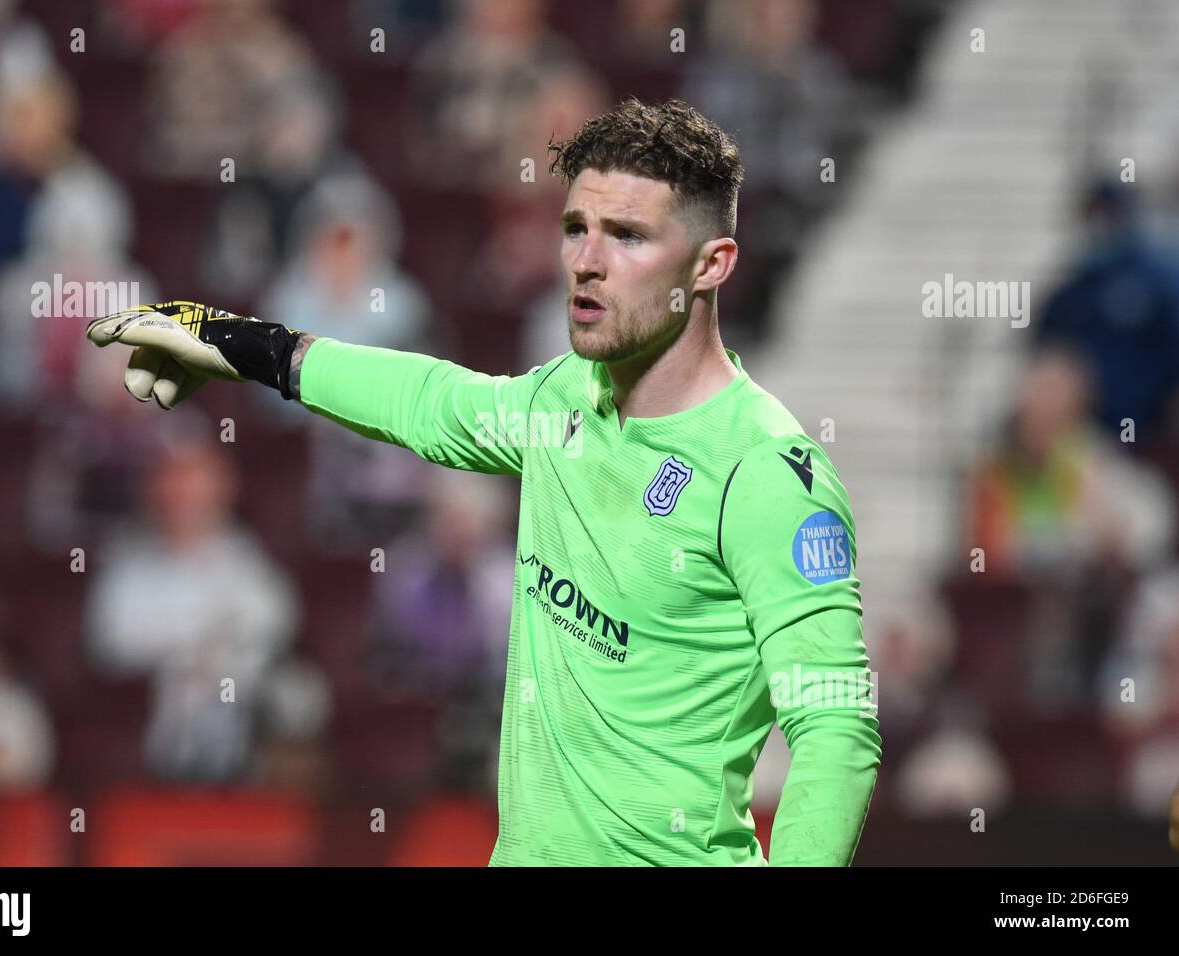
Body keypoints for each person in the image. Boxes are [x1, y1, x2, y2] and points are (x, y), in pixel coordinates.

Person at [85, 98, 881, 866]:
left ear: (713, 264)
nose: (587, 262)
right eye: (577, 228)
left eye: (629, 236)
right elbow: (433, 404)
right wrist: (244, 346)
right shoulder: (565, 399)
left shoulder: (770, 475)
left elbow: (836, 728)